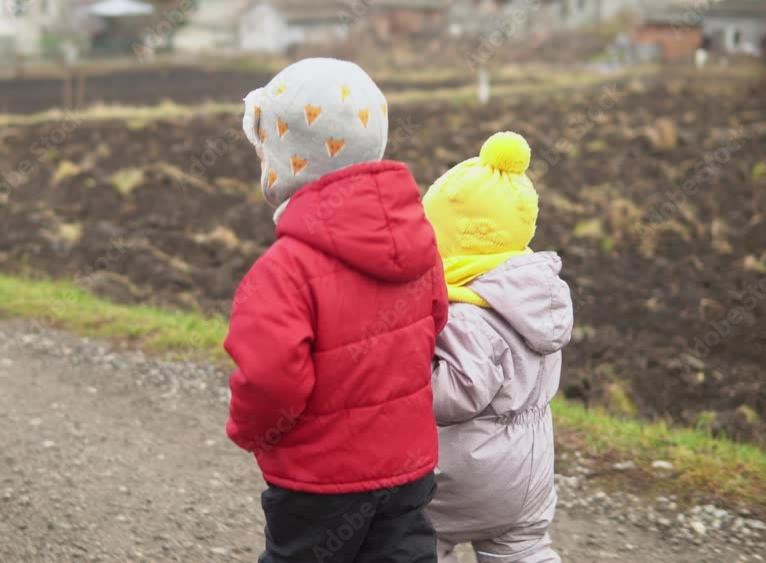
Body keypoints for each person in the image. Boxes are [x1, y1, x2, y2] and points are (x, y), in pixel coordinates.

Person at [224, 58, 448, 563]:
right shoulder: (420, 243)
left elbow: (269, 379)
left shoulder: (283, 270)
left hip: (318, 481)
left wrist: (251, 432)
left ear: (282, 158)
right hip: (409, 467)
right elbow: (434, 326)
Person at [421, 132, 574, 563]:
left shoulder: (467, 312)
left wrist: (407, 375)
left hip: (466, 478)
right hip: (530, 476)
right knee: (524, 549)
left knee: (412, 539)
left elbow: (456, 394)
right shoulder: (536, 297)